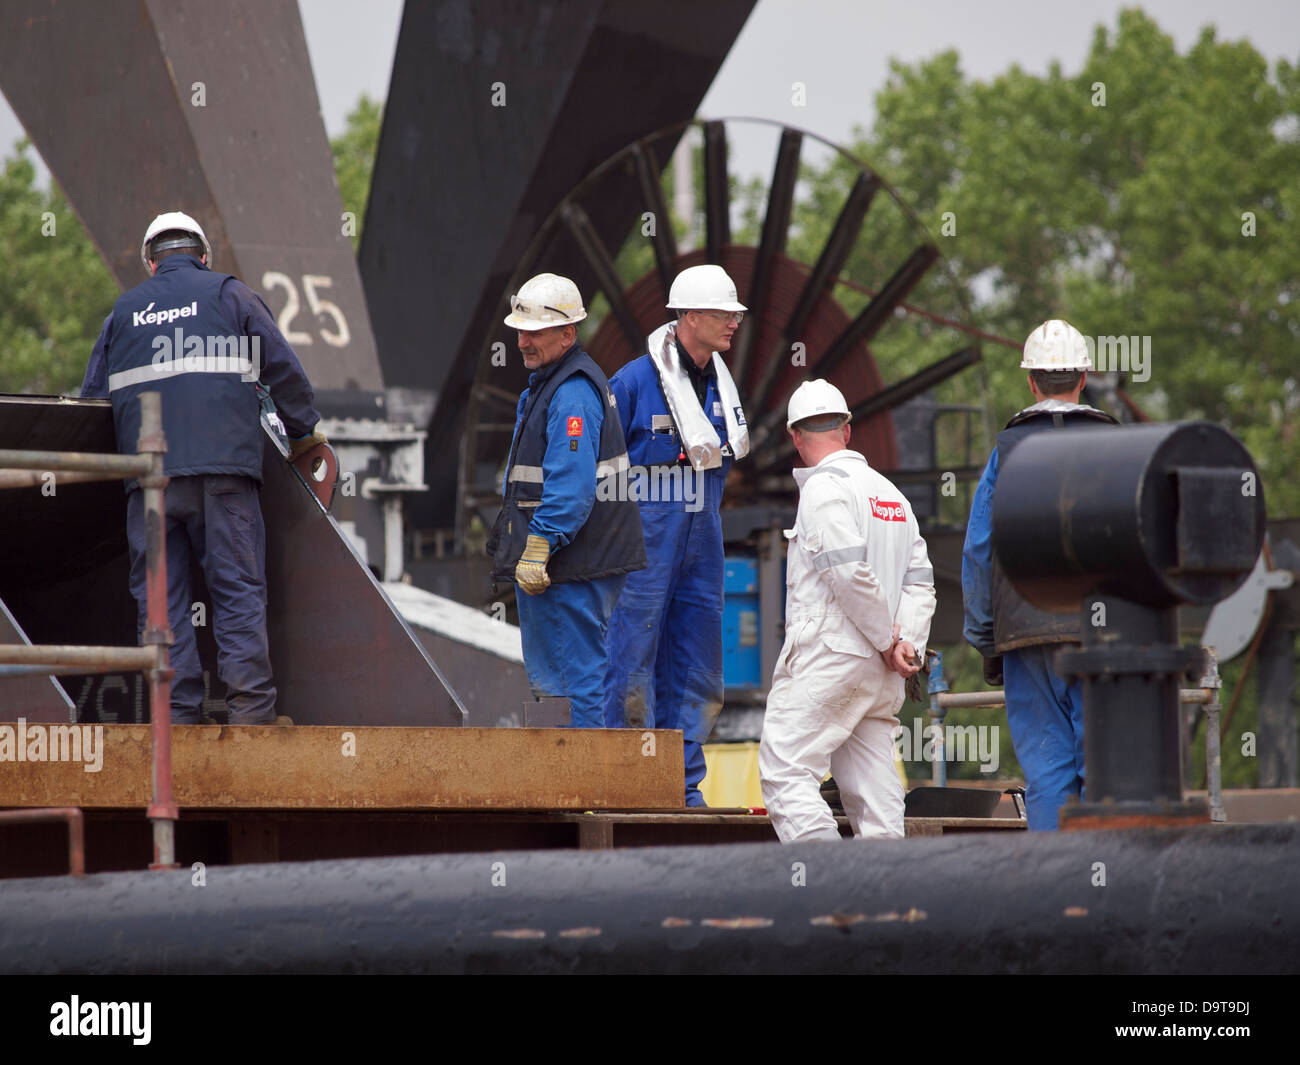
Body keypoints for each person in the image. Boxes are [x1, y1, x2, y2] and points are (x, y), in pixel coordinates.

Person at [80, 211, 324, 725]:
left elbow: (91, 406)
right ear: (203, 255)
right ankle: (251, 717)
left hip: (150, 486)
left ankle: (178, 724)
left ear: (151, 263)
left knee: (162, 606)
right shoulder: (231, 296)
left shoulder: (121, 315)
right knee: (237, 593)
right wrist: (303, 433)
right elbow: (283, 369)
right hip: (224, 480)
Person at [758, 380, 935, 842]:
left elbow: (848, 574)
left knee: (786, 770)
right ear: (848, 431)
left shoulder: (822, 490)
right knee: (876, 799)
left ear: (795, 437)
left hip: (832, 659)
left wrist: (888, 641)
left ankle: (826, 887)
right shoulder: (892, 496)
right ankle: (885, 900)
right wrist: (906, 645)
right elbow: (919, 582)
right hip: (881, 675)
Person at [961, 319, 1119, 830]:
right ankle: (1106, 890)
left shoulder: (1006, 451)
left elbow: (979, 550)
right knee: (1105, 772)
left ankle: (1060, 896)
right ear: (1085, 376)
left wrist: (987, 638)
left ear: (1031, 381)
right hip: (1100, 633)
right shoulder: (1117, 446)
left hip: (1025, 636)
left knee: (1048, 775)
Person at [603, 264, 750, 806]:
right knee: (630, 656)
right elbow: (604, 474)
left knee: (695, 661)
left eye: (735, 314)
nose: (733, 323)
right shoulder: (634, 383)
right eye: (722, 314)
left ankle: (682, 788)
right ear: (689, 317)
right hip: (643, 541)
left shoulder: (719, 386)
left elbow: (721, 467)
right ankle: (623, 782)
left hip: (701, 538)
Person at [488, 273, 645, 726]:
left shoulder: (572, 391)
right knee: (561, 682)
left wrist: (540, 546)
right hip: (570, 562)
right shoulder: (554, 384)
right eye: (520, 330)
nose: (522, 341)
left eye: (534, 332)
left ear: (567, 333)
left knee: (568, 684)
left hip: (569, 564)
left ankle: (580, 791)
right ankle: (570, 787)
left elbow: (570, 483)